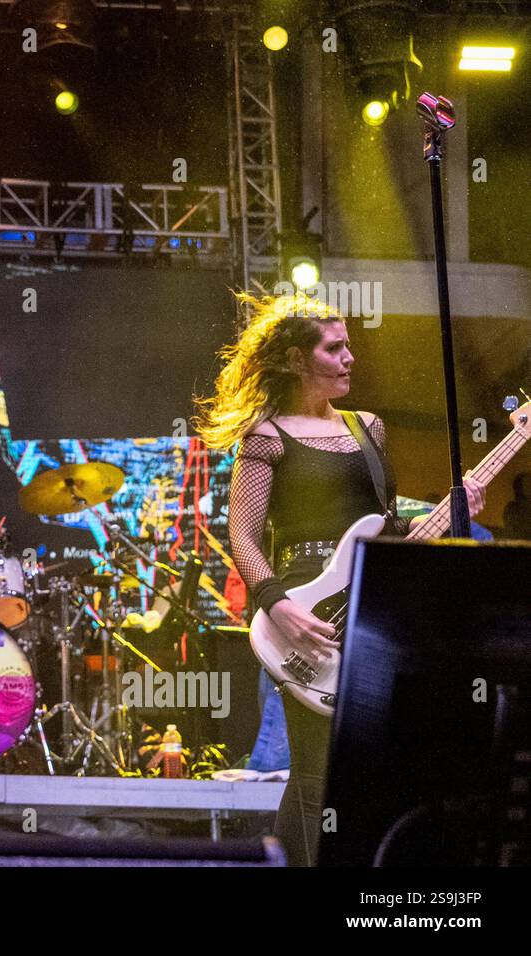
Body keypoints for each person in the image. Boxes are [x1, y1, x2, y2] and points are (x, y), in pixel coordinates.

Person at [195, 292, 485, 865]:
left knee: (364, 765)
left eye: (349, 344)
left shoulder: (369, 427)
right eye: (335, 347)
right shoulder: (267, 435)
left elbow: (390, 526)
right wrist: (278, 604)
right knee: (313, 771)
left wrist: (448, 515)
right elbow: (243, 537)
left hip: (373, 608)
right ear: (299, 359)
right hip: (305, 611)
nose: (351, 357)